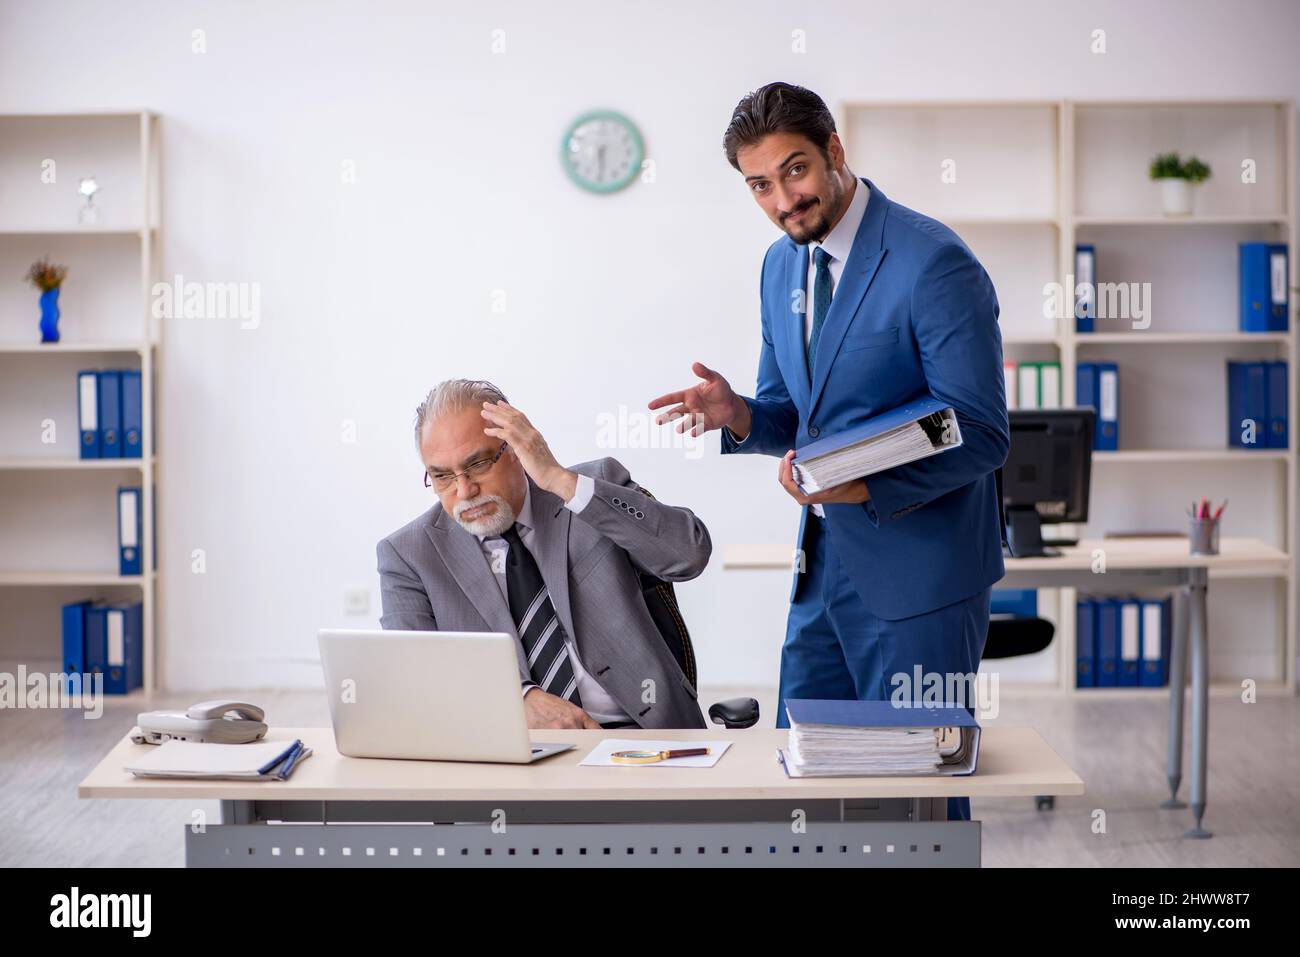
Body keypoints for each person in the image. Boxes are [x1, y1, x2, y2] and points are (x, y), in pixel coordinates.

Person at [649, 82, 1008, 819]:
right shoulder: (782, 267)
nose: (783, 199)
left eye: (796, 170)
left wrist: (868, 488)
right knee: (807, 783)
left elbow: (980, 428)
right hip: (822, 575)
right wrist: (740, 413)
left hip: (924, 579)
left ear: (835, 152)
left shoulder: (933, 261)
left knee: (918, 794)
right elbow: (792, 415)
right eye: (759, 185)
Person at [378, 378, 712, 730]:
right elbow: (416, 679)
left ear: (517, 447)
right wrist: (516, 699)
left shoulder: (591, 489)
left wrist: (558, 479)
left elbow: (689, 554)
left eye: (477, 464)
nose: (464, 491)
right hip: (508, 753)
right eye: (442, 476)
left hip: (642, 739)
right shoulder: (408, 555)